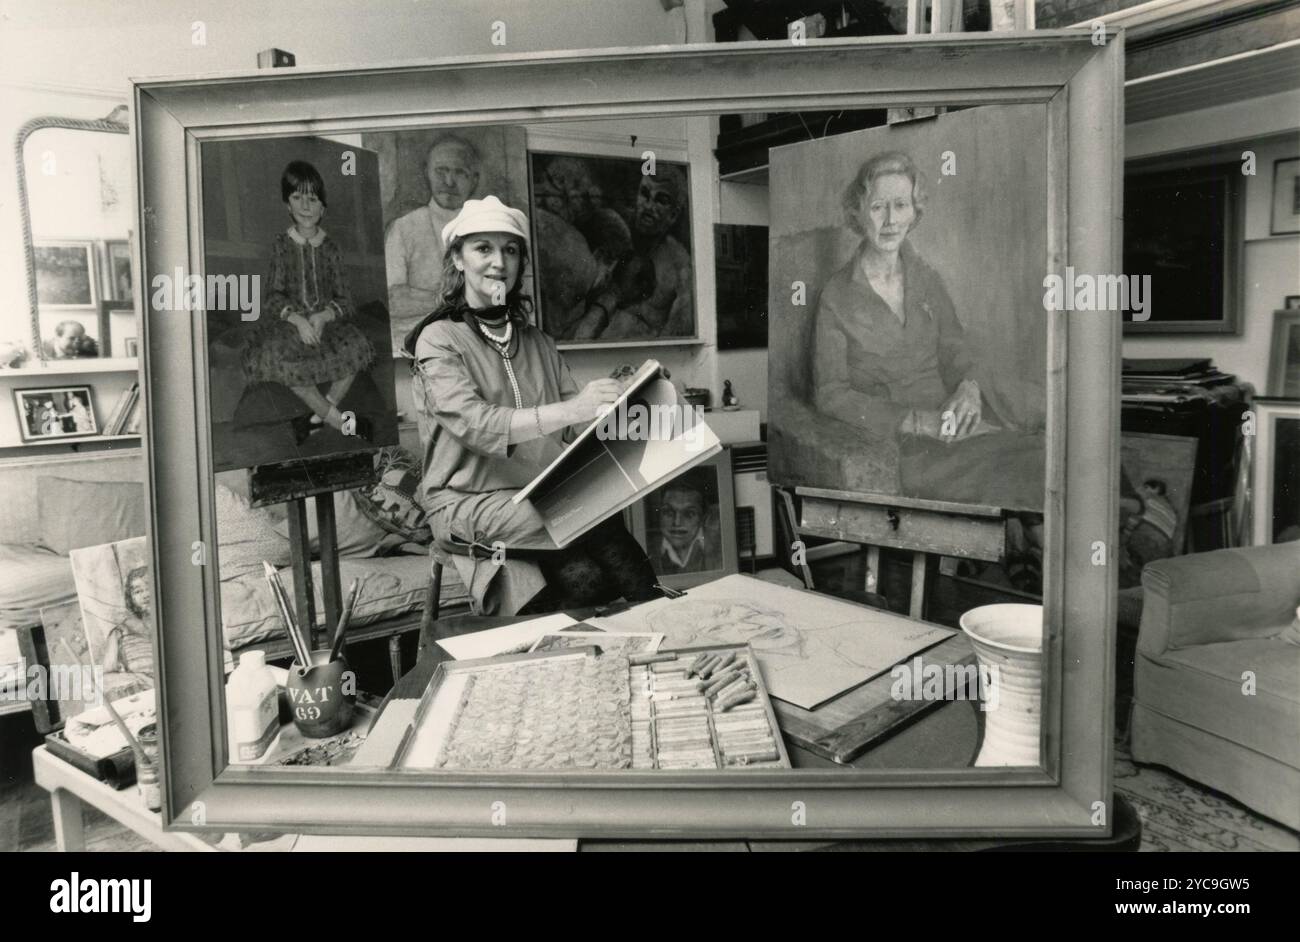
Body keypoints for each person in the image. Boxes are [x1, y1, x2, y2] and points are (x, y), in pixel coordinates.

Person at [405, 195, 658, 614]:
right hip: (465, 502)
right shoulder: (438, 339)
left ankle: (628, 626)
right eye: (483, 248)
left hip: (536, 494)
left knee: (587, 576)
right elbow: (474, 423)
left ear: (521, 262)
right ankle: (661, 611)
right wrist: (573, 409)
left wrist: (630, 398)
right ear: (458, 259)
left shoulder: (538, 342)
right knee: (590, 508)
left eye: (510, 250)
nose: (498, 262)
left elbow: (576, 429)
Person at [811, 150, 1044, 510]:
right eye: (878, 207)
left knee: (1043, 459)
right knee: (1025, 474)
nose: (891, 220)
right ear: (857, 212)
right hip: (908, 446)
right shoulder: (836, 296)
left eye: (900, 205)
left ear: (914, 212)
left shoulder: (925, 278)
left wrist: (969, 387)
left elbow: (956, 350)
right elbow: (831, 394)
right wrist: (917, 422)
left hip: (958, 425)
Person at [242, 160, 376, 441]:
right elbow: (273, 296)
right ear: (287, 206)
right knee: (280, 359)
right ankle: (341, 422)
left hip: (325, 322)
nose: (305, 206)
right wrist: (299, 321)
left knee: (356, 348)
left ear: (323, 208)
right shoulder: (281, 246)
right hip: (291, 324)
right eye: (297, 197)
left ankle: (315, 419)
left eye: (313, 199)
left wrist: (324, 316)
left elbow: (345, 298)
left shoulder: (331, 248)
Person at [569, 165, 694, 341]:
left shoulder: (680, 266)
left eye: (660, 200)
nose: (648, 206)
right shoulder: (608, 227)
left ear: (673, 215)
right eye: (644, 194)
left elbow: (679, 338)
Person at [385, 137, 483, 341]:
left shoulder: (489, 228)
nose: (449, 182)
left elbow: (503, 295)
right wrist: (460, 301)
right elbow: (393, 300)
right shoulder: (403, 228)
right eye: (441, 171)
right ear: (426, 172)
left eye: (460, 173)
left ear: (474, 180)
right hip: (417, 339)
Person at [102, 566, 154, 693]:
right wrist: (140, 678)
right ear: (131, 598)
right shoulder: (119, 633)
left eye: (150, 587)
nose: (146, 595)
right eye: (138, 591)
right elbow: (105, 679)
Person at [652, 476, 719, 576]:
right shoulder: (646, 550)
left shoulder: (721, 549)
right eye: (669, 512)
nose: (677, 522)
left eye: (689, 514)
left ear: (703, 517)